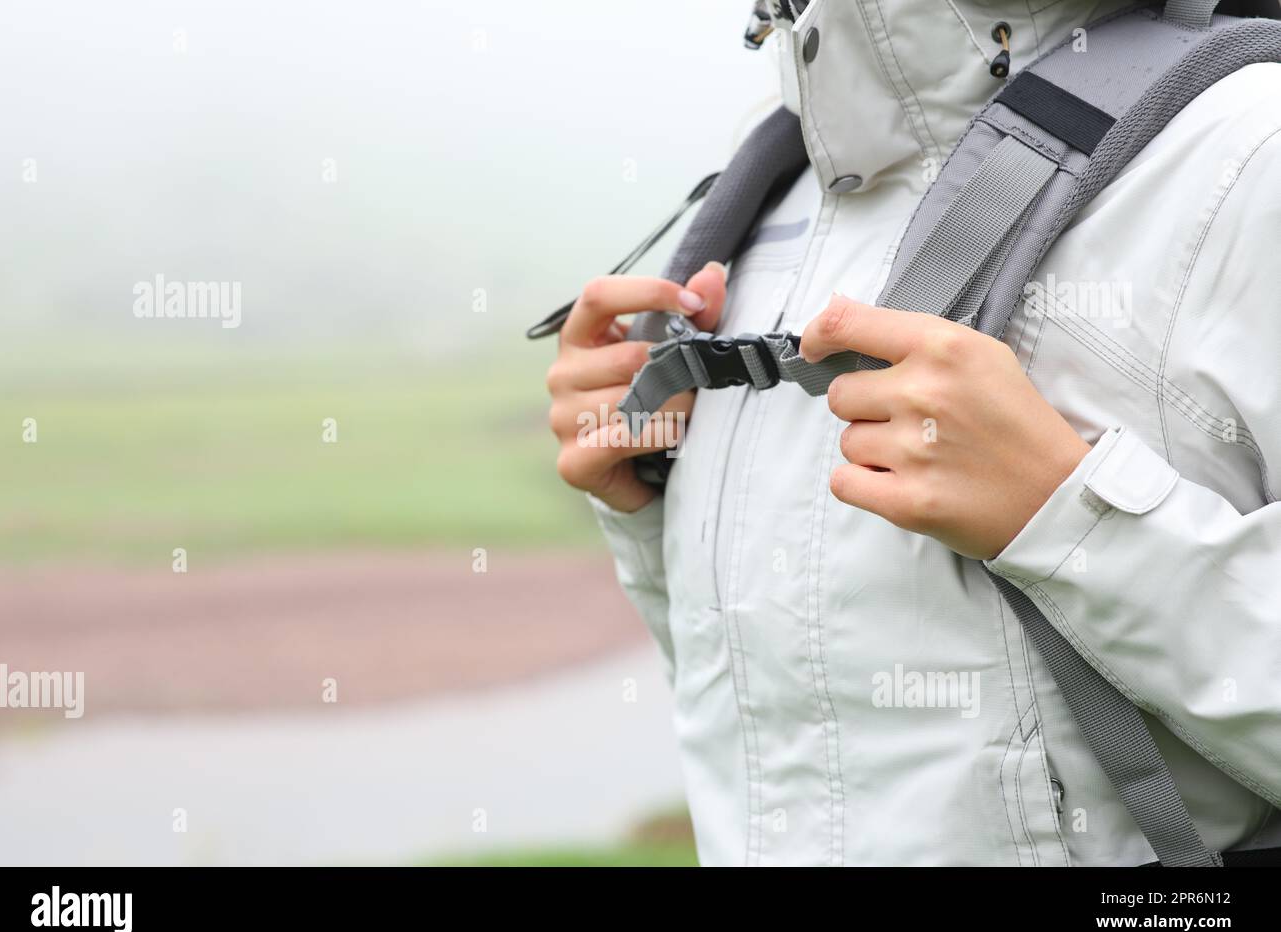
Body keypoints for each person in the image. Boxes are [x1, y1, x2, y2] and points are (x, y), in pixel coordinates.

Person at [545, 0, 1281, 865]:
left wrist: (1069, 521)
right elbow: (784, 746)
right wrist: (646, 507)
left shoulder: (1250, 154)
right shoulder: (774, 199)